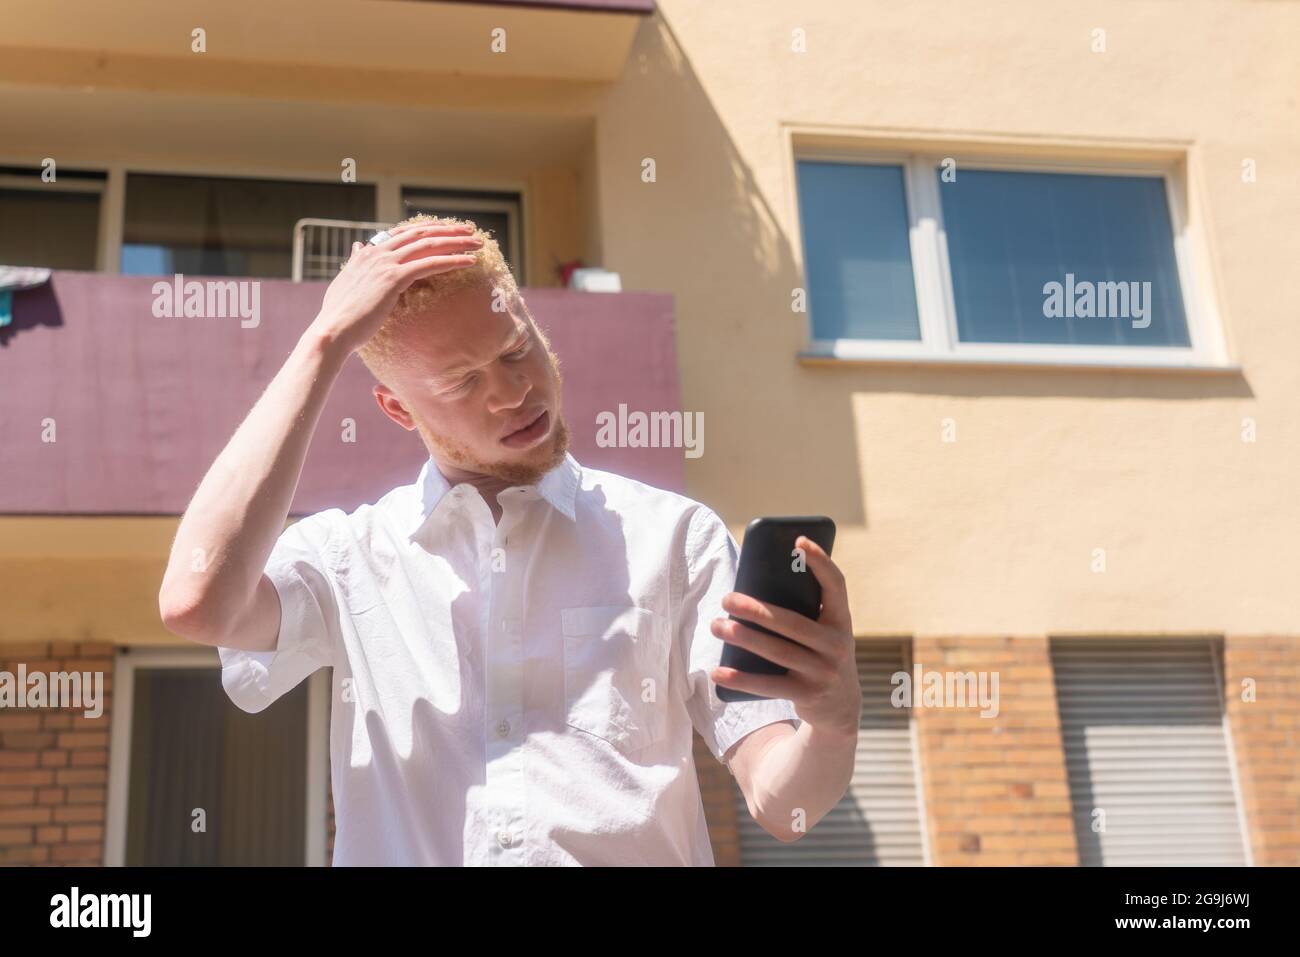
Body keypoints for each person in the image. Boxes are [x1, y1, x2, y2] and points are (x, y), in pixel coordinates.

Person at [158, 215, 861, 865]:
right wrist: (323, 342)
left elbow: (784, 806)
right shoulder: (350, 558)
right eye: (463, 380)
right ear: (397, 408)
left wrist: (831, 724)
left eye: (517, 347)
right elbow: (198, 600)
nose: (512, 391)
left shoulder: (675, 538)